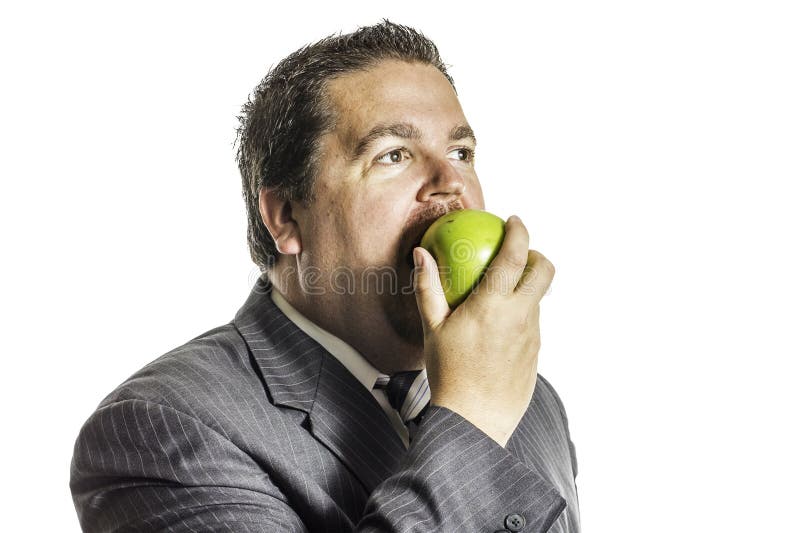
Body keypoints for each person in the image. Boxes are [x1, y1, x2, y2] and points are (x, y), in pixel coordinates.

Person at [70, 20, 580, 532]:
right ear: (286, 216)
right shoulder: (162, 425)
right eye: (393, 155)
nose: (450, 183)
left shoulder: (528, 399)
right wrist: (472, 419)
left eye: (460, 153)